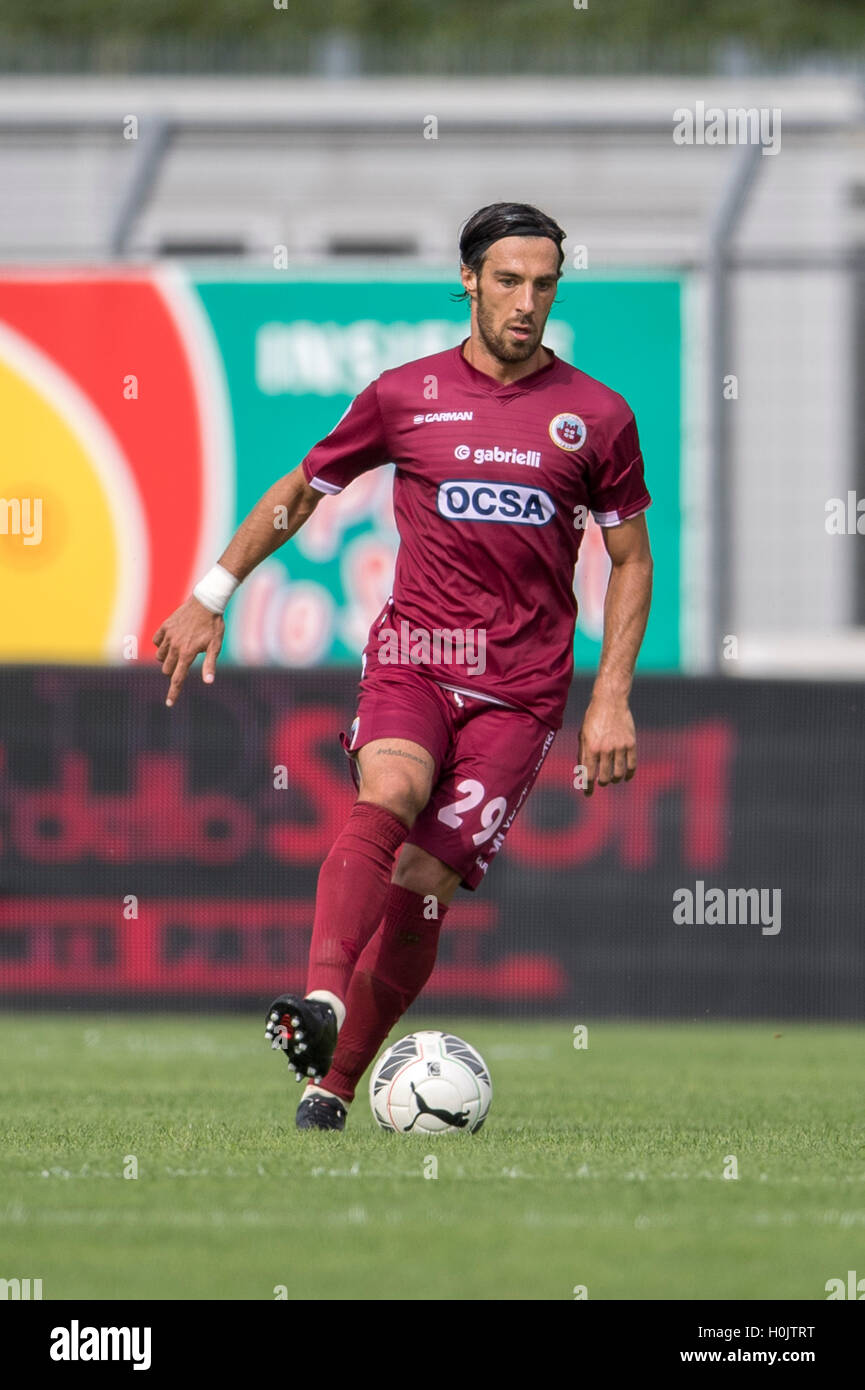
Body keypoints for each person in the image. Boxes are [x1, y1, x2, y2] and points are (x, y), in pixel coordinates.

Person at [153, 201, 654, 1131]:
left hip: (520, 690)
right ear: (467, 282)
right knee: (386, 790)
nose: (526, 302)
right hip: (417, 656)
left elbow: (630, 559)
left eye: (544, 285)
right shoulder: (405, 394)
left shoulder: (596, 417)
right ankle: (324, 1004)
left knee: (424, 882)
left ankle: (330, 1086)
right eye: (507, 281)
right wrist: (211, 593)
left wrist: (610, 697)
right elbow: (304, 490)